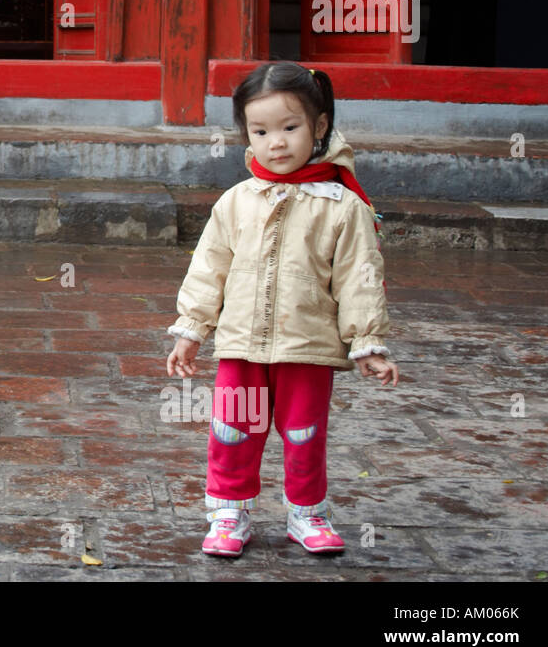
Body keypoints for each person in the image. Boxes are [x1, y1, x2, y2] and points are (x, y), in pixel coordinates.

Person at [165, 61, 400, 557]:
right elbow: (209, 269)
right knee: (233, 431)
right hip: (241, 348)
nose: (276, 142)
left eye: (290, 128)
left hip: (308, 348)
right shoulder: (236, 202)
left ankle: (307, 513)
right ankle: (228, 513)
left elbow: (359, 277)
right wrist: (192, 328)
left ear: (318, 127)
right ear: (246, 135)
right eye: (261, 130)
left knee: (304, 433)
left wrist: (366, 342)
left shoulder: (343, 206)